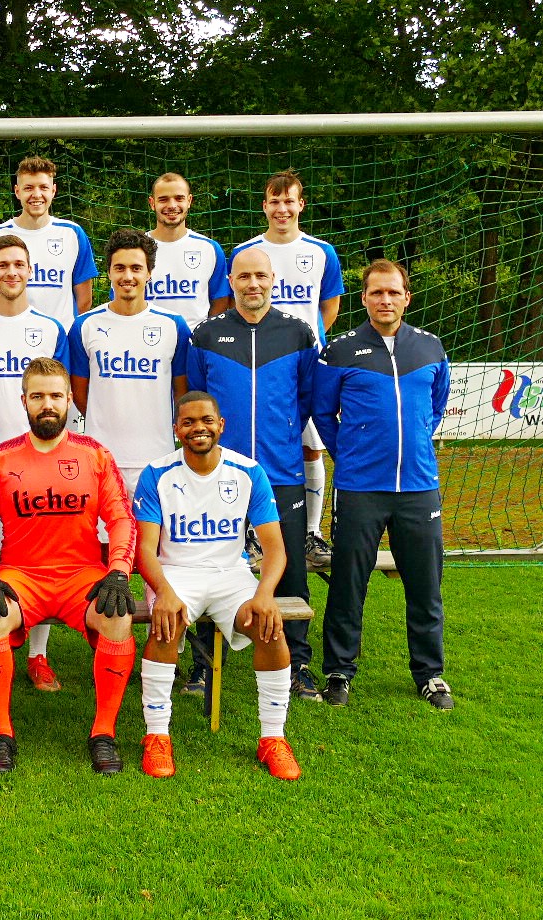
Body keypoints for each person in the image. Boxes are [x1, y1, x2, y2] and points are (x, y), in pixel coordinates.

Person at [0, 357, 138, 775]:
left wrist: (118, 569)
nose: (47, 404)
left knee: (117, 617)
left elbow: (121, 519)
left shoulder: (95, 455)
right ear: (23, 401)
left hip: (81, 574)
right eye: (38, 396)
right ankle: (1, 735)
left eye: (56, 396)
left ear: (69, 401)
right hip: (22, 575)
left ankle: (104, 734)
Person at [132, 392, 301, 780]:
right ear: (177, 430)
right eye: (188, 422)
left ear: (220, 425)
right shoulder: (157, 473)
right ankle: (157, 737)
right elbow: (145, 548)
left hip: (231, 575)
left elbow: (275, 548)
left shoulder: (248, 472)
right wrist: (164, 590)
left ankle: (272, 738)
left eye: (206, 420)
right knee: (166, 621)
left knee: (269, 626)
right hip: (175, 573)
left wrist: (264, 594)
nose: (198, 428)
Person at [312, 259, 454, 711]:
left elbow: (434, 407)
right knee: (348, 584)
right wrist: (350, 455)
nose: (385, 300)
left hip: (418, 487)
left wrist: (410, 446)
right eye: (377, 293)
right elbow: (321, 412)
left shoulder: (430, 348)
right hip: (359, 489)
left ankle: (430, 674)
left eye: (393, 292)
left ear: (407, 297)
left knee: (425, 585)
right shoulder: (341, 350)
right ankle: (338, 671)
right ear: (365, 298)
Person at [186, 247, 322, 701]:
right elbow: (194, 398)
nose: (253, 284)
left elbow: (305, 399)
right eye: (244, 277)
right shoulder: (206, 334)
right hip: (216, 470)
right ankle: (201, 666)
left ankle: (299, 663)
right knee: (207, 560)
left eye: (261, 276)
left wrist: (281, 434)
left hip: (280, 471)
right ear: (231, 280)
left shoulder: (299, 333)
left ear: (273, 278)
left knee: (290, 569)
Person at [0, 232, 71, 690]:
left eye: (18, 264)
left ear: (30, 269)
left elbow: (58, 401)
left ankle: (38, 655)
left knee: (38, 555)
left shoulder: (50, 329)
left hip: (38, 459)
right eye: (2, 265)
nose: (11, 272)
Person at [232, 170, 342, 568]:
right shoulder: (246, 251)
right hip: (258, 363)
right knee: (250, 446)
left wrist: (300, 343)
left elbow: (329, 306)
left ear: (301, 205)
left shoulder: (321, 252)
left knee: (311, 447)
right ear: (264, 206)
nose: (282, 208)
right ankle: (247, 534)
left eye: (288, 201)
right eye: (274, 201)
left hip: (305, 363)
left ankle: (311, 533)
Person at [68, 228, 190, 497]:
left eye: (136, 268)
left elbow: (181, 393)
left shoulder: (174, 326)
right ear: (108, 272)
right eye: (119, 268)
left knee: (153, 539)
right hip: (100, 457)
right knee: (104, 540)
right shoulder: (84, 326)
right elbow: (79, 393)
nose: (127, 276)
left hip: (157, 458)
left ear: (149, 273)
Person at [0, 156, 97, 324]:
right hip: (11, 338)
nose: (36, 194)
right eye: (29, 188)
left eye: (43, 187)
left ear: (53, 191)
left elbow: (84, 301)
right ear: (17, 191)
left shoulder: (72, 234)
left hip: (59, 342)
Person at [142, 172, 230, 325]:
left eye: (179, 198)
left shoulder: (209, 249)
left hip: (194, 345)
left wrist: (205, 335)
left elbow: (221, 300)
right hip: (148, 342)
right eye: (163, 199)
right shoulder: (136, 248)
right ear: (152, 203)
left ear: (189, 200)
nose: (172, 205)